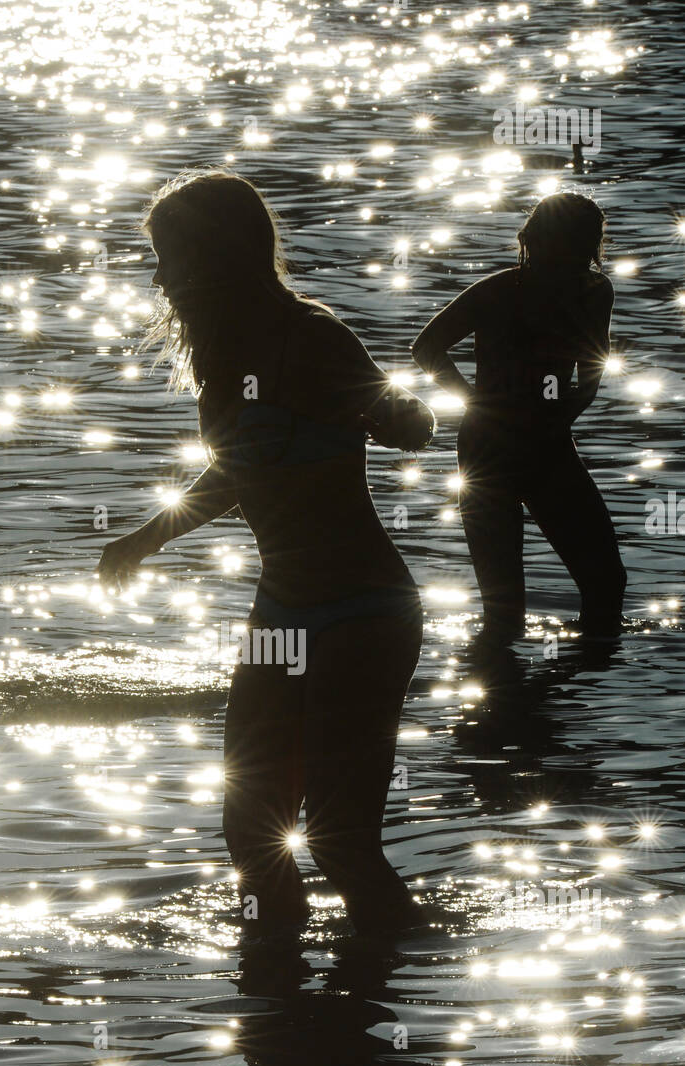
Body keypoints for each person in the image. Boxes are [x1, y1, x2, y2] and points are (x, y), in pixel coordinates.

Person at [96, 170, 435, 942]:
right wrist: (146, 537)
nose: (157, 277)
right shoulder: (223, 356)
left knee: (342, 841)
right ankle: (278, 1016)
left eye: (168, 257)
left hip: (365, 614)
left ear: (218, 254)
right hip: (282, 612)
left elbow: (409, 428)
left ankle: (402, 995)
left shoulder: (315, 336)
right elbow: (237, 469)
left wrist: (400, 414)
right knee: (250, 832)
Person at [411, 191, 626, 645]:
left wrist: (564, 413)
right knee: (506, 610)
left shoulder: (595, 292)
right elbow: (426, 346)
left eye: (580, 251)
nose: (570, 263)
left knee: (606, 581)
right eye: (561, 249)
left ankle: (576, 680)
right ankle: (505, 700)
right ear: (536, 244)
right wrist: (475, 402)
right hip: (490, 449)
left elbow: (593, 367)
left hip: (546, 443)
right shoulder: (498, 291)